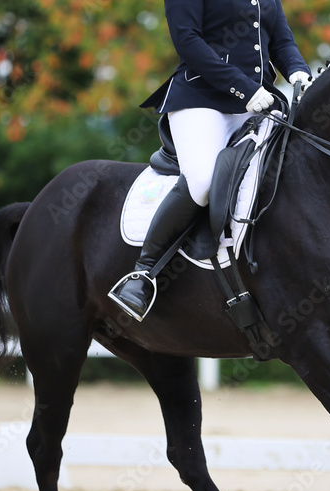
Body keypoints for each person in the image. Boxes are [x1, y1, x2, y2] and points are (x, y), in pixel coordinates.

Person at [110, 0, 311, 321]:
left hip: (259, 102)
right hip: (201, 99)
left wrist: (299, 71)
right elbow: (188, 42)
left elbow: (282, 40)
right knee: (202, 180)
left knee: (296, 165)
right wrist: (245, 89)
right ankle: (142, 273)